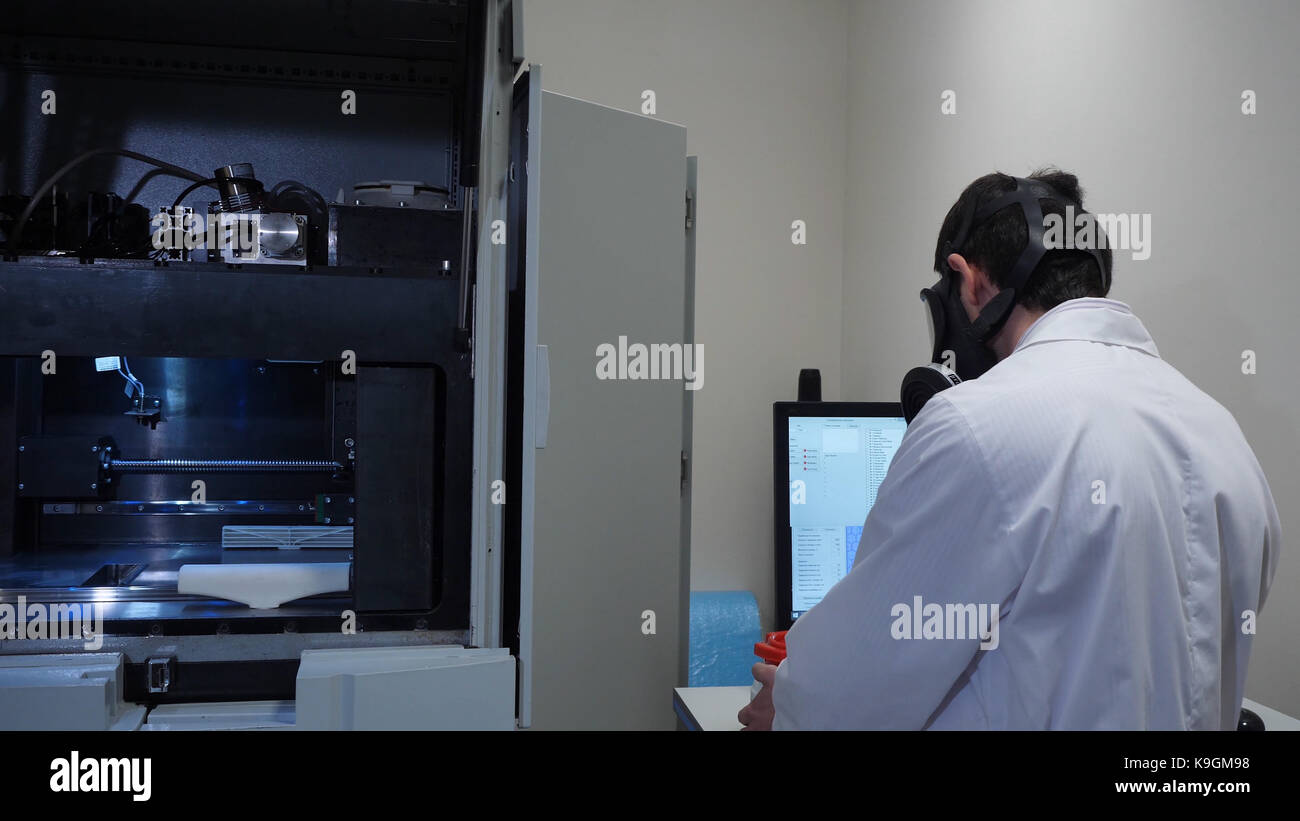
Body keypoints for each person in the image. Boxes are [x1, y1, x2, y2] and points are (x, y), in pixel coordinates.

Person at [740, 169, 1280, 730]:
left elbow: (860, 676)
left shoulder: (976, 424)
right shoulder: (1225, 438)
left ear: (966, 281)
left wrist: (788, 707)